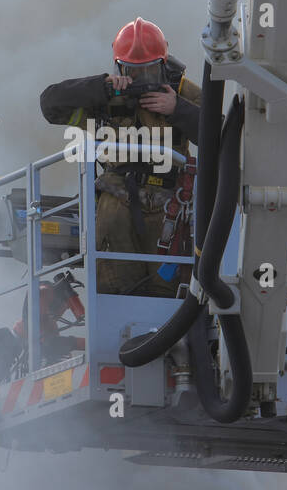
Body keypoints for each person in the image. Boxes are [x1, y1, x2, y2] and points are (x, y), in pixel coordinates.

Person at [40, 18, 201, 296]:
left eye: (149, 70)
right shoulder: (104, 96)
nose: (139, 80)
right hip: (116, 205)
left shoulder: (184, 93)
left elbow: (220, 136)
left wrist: (178, 109)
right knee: (116, 287)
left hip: (170, 206)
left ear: (163, 64)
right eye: (132, 71)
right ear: (119, 66)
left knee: (168, 291)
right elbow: (50, 104)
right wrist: (99, 87)